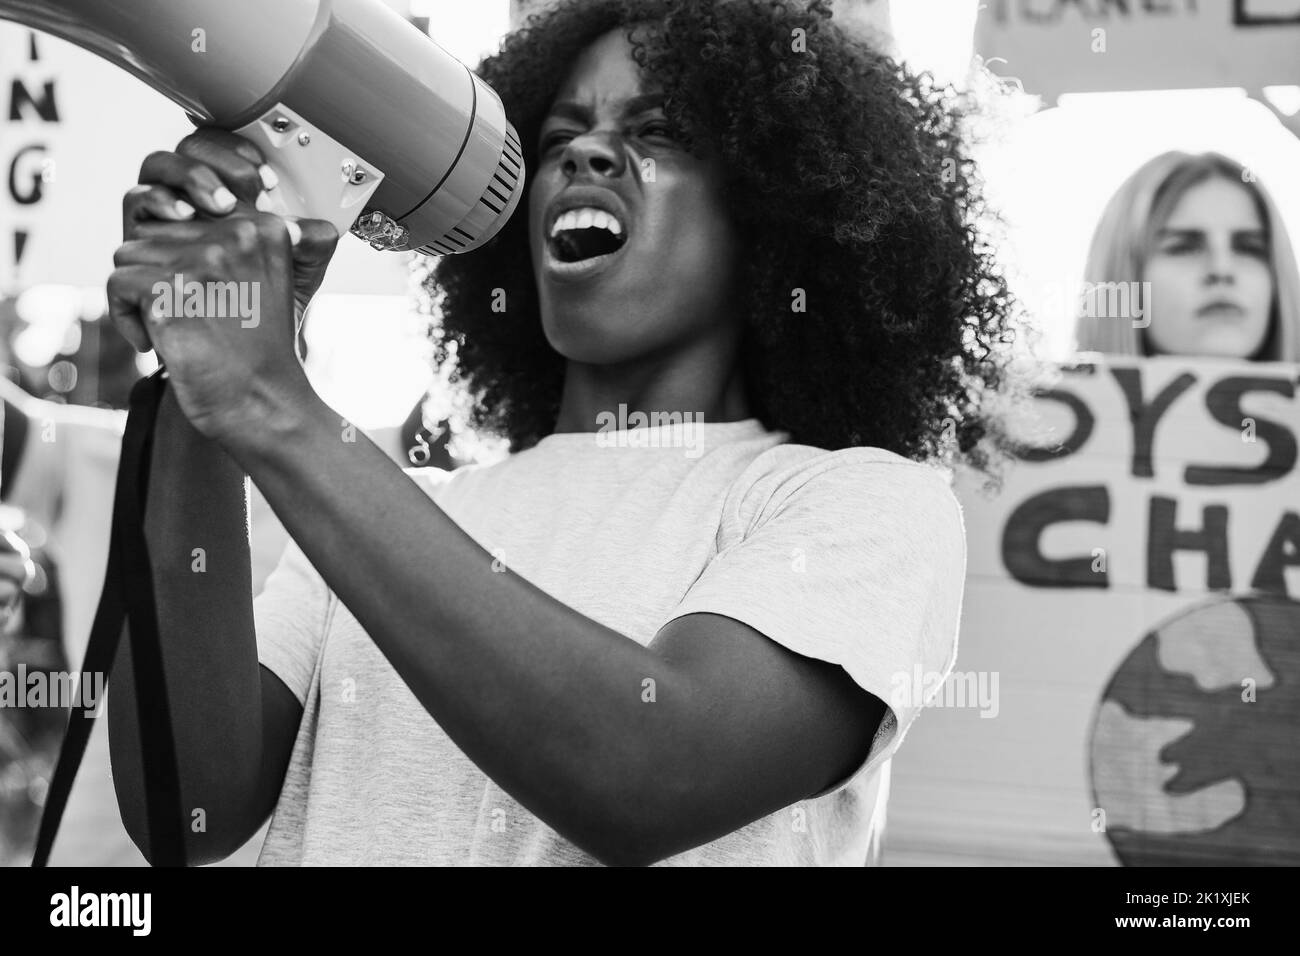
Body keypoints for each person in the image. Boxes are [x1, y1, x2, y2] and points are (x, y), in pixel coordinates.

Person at [104, 0, 1016, 866]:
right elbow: (189, 809)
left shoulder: (862, 505)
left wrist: (272, 403)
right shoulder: (385, 507)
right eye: (556, 138)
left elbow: (652, 772)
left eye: (658, 132)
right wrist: (202, 385)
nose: (588, 154)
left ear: (778, 208)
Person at [1073, 150, 1300, 361]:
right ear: (1124, 277)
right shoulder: (1040, 401)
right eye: (1183, 248)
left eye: (1249, 248)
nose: (1222, 270)